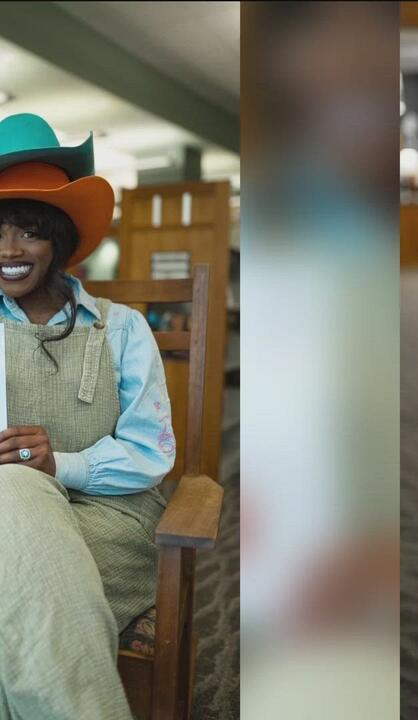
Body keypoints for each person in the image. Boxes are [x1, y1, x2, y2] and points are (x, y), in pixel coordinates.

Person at [0, 113, 174, 719]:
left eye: (27, 232)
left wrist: (59, 465)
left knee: (20, 579)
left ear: (59, 240)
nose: (8, 250)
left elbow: (151, 454)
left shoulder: (122, 329)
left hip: (110, 520)